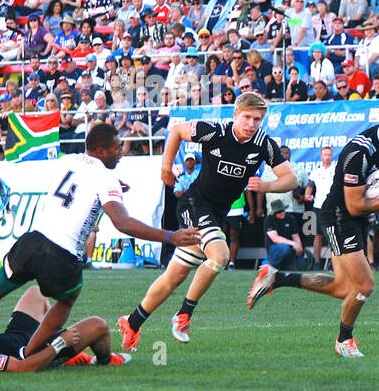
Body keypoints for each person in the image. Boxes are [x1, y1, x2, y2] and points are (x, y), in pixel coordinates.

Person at [0, 124, 200, 360]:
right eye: (117, 148)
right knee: (66, 300)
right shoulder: (105, 178)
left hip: (31, 243)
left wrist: (113, 182)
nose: (122, 152)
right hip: (62, 256)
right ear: (100, 149)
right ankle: (28, 353)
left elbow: (82, 178)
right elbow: (123, 223)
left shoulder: (69, 160)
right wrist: (171, 236)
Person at [119, 92, 296, 351]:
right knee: (220, 255)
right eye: (246, 117)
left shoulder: (263, 144)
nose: (251, 124)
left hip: (217, 213)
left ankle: (131, 322)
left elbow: (290, 179)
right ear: (235, 114)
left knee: (174, 276)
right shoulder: (214, 131)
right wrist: (166, 167)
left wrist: (267, 185)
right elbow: (177, 131)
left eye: (257, 119)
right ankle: (183, 315)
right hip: (193, 204)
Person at [248, 99, 379, 358]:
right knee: (364, 286)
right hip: (340, 216)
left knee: (342, 287)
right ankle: (344, 340)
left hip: (357, 218)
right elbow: (356, 205)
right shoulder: (358, 152)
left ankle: (276, 277)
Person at [0, 285, 129, 373]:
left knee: (37, 292)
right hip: (29, 353)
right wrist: (59, 344)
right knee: (98, 325)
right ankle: (105, 361)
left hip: (16, 335)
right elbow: (24, 367)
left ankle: (69, 354)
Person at [305, 145, 336, 266]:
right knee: (317, 235)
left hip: (332, 207)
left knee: (333, 235)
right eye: (325, 155)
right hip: (318, 206)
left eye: (329, 154)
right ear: (321, 156)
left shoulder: (336, 169)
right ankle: (316, 263)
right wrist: (308, 195)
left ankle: (335, 263)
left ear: (332, 156)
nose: (327, 157)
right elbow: (309, 187)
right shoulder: (315, 172)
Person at [263, 202, 304, 269]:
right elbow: (275, 238)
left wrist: (299, 247)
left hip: (291, 248)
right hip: (274, 247)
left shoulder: (291, 218)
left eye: (283, 210)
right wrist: (293, 243)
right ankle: (270, 265)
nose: (282, 213)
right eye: (279, 212)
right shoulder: (269, 219)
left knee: (302, 265)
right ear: (274, 213)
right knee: (284, 248)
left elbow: (295, 235)